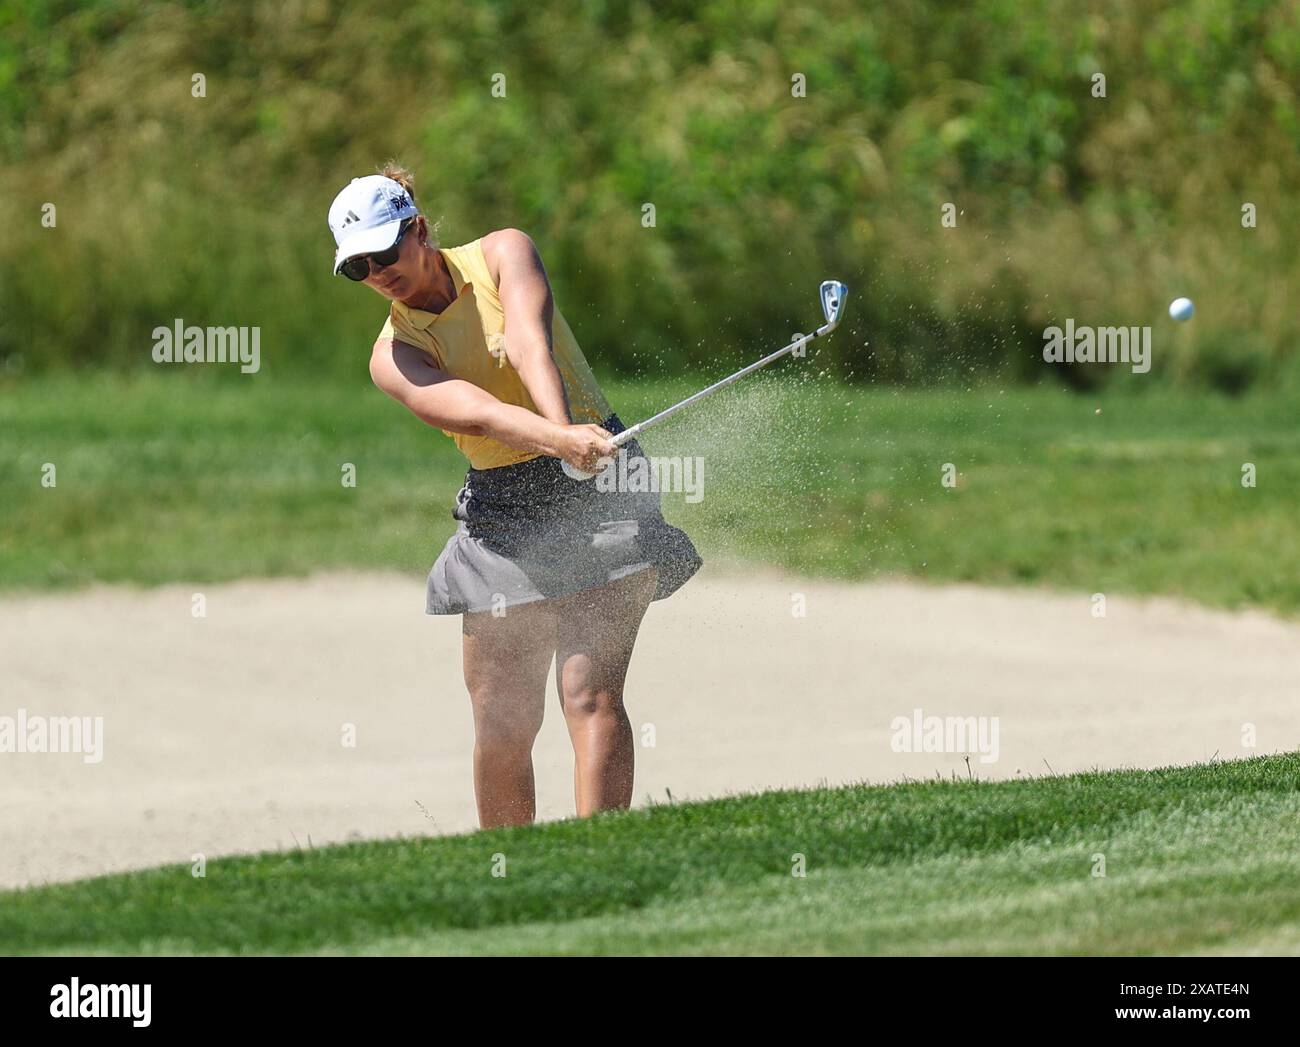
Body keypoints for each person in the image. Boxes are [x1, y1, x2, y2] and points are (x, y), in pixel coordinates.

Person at [327, 165, 702, 829]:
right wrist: (559, 442)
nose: (376, 273)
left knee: (589, 693)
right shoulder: (393, 354)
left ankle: (602, 857)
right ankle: (510, 877)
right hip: (503, 510)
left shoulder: (503, 251)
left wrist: (567, 439)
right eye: (357, 268)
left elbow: (530, 339)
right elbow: (476, 413)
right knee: (503, 722)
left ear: (418, 230)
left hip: (604, 480)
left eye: (384, 253)